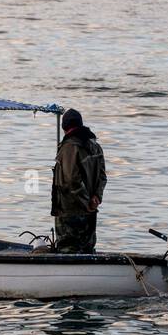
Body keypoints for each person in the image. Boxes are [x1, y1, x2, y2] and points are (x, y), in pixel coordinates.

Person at [51, 108, 107, 253]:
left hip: (71, 213)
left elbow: (71, 181)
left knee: (68, 251)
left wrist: (86, 202)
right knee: (87, 250)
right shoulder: (95, 146)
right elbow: (102, 177)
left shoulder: (70, 146)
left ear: (64, 127)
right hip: (91, 212)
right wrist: (96, 198)